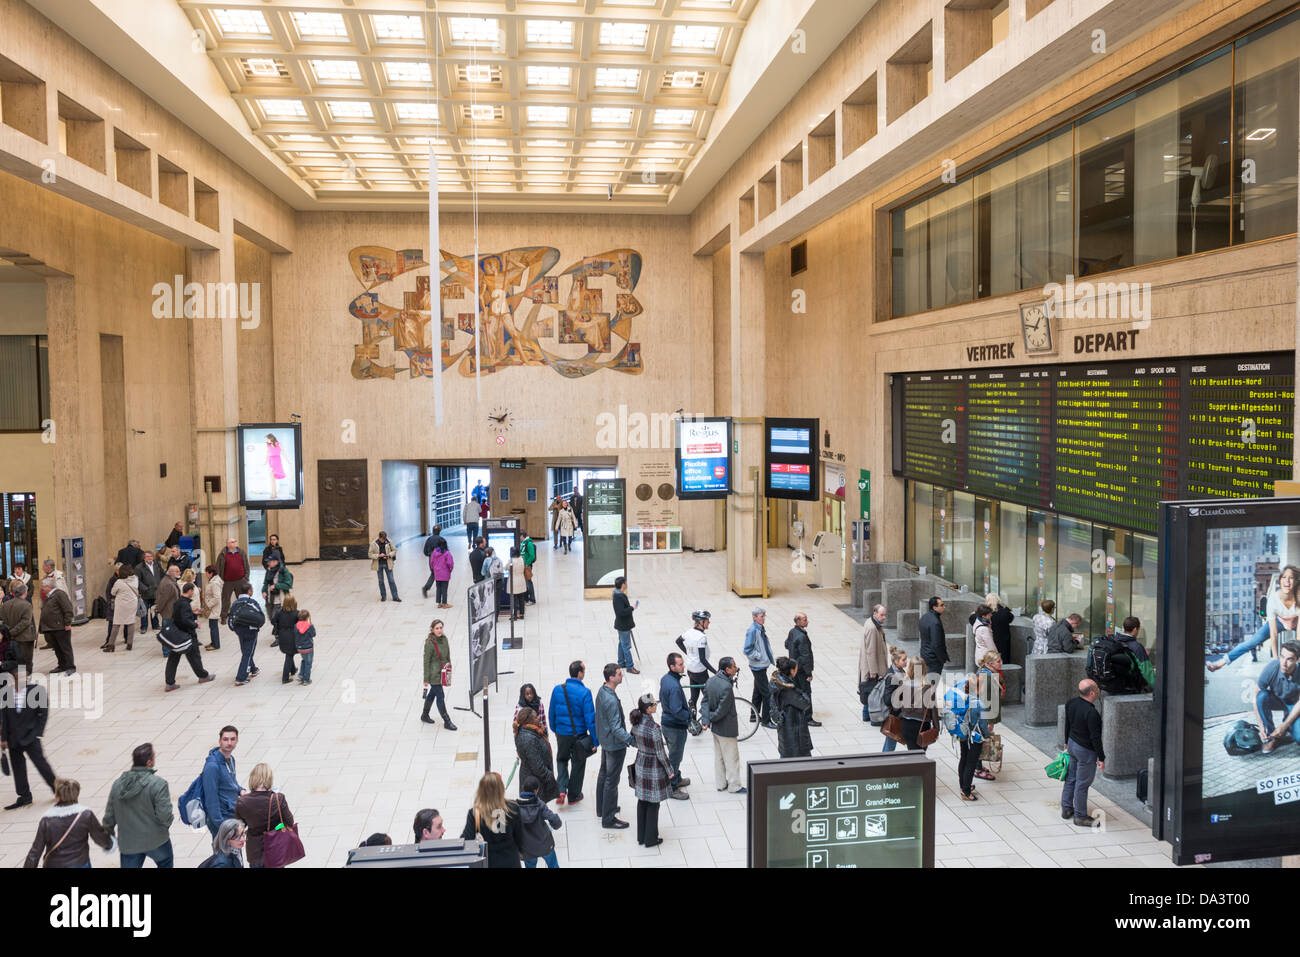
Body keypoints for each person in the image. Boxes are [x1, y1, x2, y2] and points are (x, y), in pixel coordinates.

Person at [1210, 565, 1300, 671]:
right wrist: (1276, 660)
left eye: (1291, 578)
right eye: (1284, 577)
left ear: (1296, 581)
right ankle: (1220, 663)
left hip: (1296, 621)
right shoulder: (1273, 599)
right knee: (1253, 641)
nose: (1287, 581)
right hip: (1279, 621)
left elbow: (1299, 636)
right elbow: (1273, 634)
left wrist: (1297, 661)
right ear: (1280, 580)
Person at [103, 743, 173, 868]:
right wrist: (165, 827)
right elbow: (165, 815)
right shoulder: (158, 784)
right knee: (165, 863)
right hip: (156, 840)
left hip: (129, 844)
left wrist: (109, 834)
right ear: (149, 762)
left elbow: (109, 816)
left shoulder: (117, 784)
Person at [0, 658, 57, 809]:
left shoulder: (37, 691)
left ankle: (57, 791)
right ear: (14, 677)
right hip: (13, 737)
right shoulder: (6, 693)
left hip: (31, 736)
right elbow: (4, 718)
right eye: (21, 676)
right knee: (18, 768)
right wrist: (3, 738)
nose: (25, 679)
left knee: (42, 765)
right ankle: (24, 796)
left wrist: (38, 732)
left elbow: (43, 713)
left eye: (26, 676)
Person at [23, 777, 113, 868]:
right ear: (76, 794)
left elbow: (35, 852)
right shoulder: (85, 815)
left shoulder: (46, 820)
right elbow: (99, 837)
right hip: (80, 863)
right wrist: (109, 844)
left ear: (57, 797)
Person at [549, 661, 596, 806]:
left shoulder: (557, 690)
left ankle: (561, 789)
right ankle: (574, 795)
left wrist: (555, 730)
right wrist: (595, 740)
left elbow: (552, 713)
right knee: (578, 763)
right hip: (579, 735)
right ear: (580, 673)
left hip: (562, 733)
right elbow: (590, 719)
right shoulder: (585, 692)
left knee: (561, 760)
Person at [629, 693, 672, 847]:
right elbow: (661, 753)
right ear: (648, 709)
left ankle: (641, 837)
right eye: (653, 704)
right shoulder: (654, 728)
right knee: (654, 803)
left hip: (641, 762)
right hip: (653, 766)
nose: (656, 705)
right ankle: (651, 839)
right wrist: (669, 770)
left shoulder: (636, 722)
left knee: (642, 801)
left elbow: (633, 740)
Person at [594, 663, 634, 829]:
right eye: (619, 674)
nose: (621, 676)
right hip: (614, 745)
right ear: (611, 678)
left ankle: (602, 808)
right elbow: (616, 728)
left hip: (605, 740)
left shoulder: (602, 691)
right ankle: (609, 817)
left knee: (604, 774)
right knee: (612, 780)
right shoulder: (610, 699)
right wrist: (631, 740)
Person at [234, 763, 295, 868]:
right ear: (269, 779)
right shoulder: (278, 799)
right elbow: (289, 822)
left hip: (255, 853)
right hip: (276, 851)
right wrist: (277, 827)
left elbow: (239, 827)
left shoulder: (242, 802)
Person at [1062, 679, 1105, 825]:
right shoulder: (1092, 713)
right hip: (1085, 751)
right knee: (1082, 783)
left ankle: (1066, 808)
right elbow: (1095, 737)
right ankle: (1080, 815)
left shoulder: (1071, 703)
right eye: (1097, 688)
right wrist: (1101, 757)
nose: (1098, 690)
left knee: (1071, 777)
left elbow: (1067, 723)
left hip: (1072, 744)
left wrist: (1066, 742)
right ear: (1092, 692)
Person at [460, 772, 525, 868]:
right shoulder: (513, 808)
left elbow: (466, 839)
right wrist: (521, 850)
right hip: (510, 859)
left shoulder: (475, 813)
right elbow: (519, 835)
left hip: (487, 861)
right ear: (501, 789)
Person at [702, 657, 745, 794]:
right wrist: (710, 720)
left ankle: (720, 784)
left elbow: (705, 702)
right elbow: (722, 710)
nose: (736, 668)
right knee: (732, 758)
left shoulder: (711, 680)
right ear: (727, 669)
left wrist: (706, 720)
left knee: (719, 757)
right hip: (726, 728)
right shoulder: (727, 687)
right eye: (734, 666)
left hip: (715, 729)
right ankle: (734, 785)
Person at [163, 583, 214, 690]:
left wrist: (192, 613)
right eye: (193, 591)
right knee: (194, 657)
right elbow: (184, 620)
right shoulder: (185, 604)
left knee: (173, 659)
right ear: (190, 591)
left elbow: (178, 617)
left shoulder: (178, 602)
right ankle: (203, 676)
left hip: (177, 637)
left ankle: (169, 683)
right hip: (187, 636)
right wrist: (195, 624)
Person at [945, 673, 986, 801]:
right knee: (971, 763)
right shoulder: (978, 703)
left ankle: (963, 785)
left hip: (962, 732)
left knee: (964, 758)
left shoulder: (964, 696)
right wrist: (986, 735)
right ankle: (966, 791)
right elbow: (983, 724)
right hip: (975, 736)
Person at [1255, 640, 1300, 753]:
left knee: (1299, 738)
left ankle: (1288, 726)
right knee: (1261, 696)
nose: (1284, 663)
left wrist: (1284, 726)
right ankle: (1272, 737)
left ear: (1297, 660)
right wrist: (1261, 725)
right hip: (1277, 700)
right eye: (1282, 657)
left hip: (1294, 705)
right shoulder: (1271, 668)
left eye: (1289, 659)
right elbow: (1256, 697)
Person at [201, 726, 245, 836]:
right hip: (222, 820)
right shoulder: (212, 766)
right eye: (225, 739)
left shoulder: (231, 759)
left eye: (232, 739)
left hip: (231, 814)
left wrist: (240, 790)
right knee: (223, 852)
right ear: (220, 741)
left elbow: (230, 782)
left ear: (237, 740)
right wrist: (222, 826)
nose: (229, 743)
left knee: (234, 851)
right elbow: (211, 798)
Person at [884, 658, 935, 752]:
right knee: (921, 753)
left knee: (912, 751)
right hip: (922, 725)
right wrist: (936, 726)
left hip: (907, 724)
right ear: (924, 669)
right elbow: (933, 710)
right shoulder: (929, 687)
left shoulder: (903, 684)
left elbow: (895, 706)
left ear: (910, 669)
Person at [658, 653, 691, 799]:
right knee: (675, 757)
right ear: (672, 666)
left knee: (674, 754)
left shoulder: (666, 678)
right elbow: (677, 710)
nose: (683, 666)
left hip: (667, 723)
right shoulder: (674, 686)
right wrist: (689, 717)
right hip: (675, 727)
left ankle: (676, 778)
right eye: (680, 664)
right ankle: (671, 787)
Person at [513, 706, 559, 803]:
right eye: (535, 717)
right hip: (535, 782)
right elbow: (537, 766)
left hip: (533, 777)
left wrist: (543, 731)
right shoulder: (528, 739)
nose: (538, 718)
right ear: (528, 721)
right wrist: (549, 776)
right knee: (536, 809)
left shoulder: (529, 731)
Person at [771, 657, 813, 758]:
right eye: (796, 669)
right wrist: (801, 691)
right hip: (794, 729)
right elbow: (806, 703)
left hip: (786, 727)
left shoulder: (776, 681)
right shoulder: (788, 689)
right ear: (791, 670)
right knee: (797, 760)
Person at [744, 607, 776, 729]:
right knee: (767, 693)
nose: (763, 618)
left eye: (764, 616)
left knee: (757, 691)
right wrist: (759, 656)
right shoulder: (752, 630)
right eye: (761, 616)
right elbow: (747, 649)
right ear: (754, 617)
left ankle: (754, 715)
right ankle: (766, 720)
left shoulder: (760, 628)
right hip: (758, 666)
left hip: (761, 665)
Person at [678, 610, 716, 712]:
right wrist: (716, 672)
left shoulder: (689, 632)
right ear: (700, 622)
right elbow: (703, 659)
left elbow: (678, 641)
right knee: (709, 698)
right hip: (700, 671)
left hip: (691, 669)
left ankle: (693, 721)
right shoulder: (701, 637)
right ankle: (705, 716)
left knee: (694, 696)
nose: (709, 622)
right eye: (707, 621)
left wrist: (689, 654)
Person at [421, 619, 457, 728]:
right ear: (432, 629)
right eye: (437, 628)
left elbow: (447, 655)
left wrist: (449, 671)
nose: (439, 630)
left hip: (443, 672)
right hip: (434, 675)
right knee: (440, 696)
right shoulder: (429, 643)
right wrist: (426, 679)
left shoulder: (444, 639)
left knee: (432, 694)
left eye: (441, 627)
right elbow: (426, 661)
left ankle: (424, 714)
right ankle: (447, 721)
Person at [228, 582, 265, 685]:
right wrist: (258, 627)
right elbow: (260, 616)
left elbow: (230, 617)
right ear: (249, 591)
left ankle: (254, 669)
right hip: (251, 630)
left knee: (246, 651)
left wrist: (234, 629)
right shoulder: (252, 602)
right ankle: (241, 678)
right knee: (248, 653)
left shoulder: (235, 603)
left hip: (239, 630)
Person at [38, 571, 75, 675]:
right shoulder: (49, 596)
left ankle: (70, 666)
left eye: (43, 586)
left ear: (48, 586)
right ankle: (62, 665)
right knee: (57, 649)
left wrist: (67, 623)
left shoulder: (59, 594)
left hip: (61, 627)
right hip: (51, 627)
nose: (42, 588)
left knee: (65, 648)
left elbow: (68, 609)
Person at [786, 612, 820, 726]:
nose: (807, 621)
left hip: (793, 669)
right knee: (806, 693)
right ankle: (807, 717)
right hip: (801, 670)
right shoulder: (801, 637)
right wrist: (809, 673)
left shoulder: (792, 632)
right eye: (805, 620)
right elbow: (805, 656)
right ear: (798, 621)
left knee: (797, 691)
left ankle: (798, 715)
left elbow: (786, 644)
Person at [517, 786, 562, 868]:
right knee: (553, 865)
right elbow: (555, 820)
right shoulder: (540, 804)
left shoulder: (515, 807)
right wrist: (556, 825)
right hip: (544, 844)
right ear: (536, 790)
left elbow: (508, 830)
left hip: (527, 849)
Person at [859, 603, 888, 722]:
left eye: (885, 615)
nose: (884, 617)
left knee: (869, 690)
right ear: (875, 614)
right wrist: (873, 671)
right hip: (872, 667)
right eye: (882, 615)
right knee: (872, 691)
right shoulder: (872, 628)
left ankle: (866, 715)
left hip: (871, 666)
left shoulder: (873, 624)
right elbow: (870, 651)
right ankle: (871, 716)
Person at [102, 566, 138, 654]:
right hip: (132, 603)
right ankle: (129, 644)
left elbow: (112, 592)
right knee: (130, 623)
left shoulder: (119, 582)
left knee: (116, 624)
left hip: (121, 605)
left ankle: (111, 645)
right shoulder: (135, 579)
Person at [879, 647, 908, 752]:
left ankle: (885, 760)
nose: (906, 662)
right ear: (896, 661)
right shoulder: (893, 677)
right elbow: (887, 699)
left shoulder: (900, 671)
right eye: (903, 660)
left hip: (897, 713)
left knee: (891, 739)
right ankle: (885, 762)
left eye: (906, 659)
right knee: (891, 738)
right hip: (894, 713)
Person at [216, 538, 249, 624]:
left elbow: (246, 565)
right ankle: (223, 617)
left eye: (235, 541)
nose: (235, 543)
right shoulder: (223, 554)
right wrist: (220, 580)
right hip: (227, 581)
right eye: (232, 542)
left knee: (242, 599)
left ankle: (244, 616)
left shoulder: (241, 552)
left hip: (240, 580)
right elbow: (218, 568)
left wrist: (246, 578)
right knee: (225, 600)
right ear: (228, 544)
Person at [612, 576, 639, 674]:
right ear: (623, 584)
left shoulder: (617, 594)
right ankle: (630, 666)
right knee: (626, 646)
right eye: (626, 583)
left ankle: (621, 662)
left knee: (621, 643)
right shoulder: (619, 596)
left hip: (621, 624)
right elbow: (621, 612)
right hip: (624, 625)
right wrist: (632, 608)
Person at [135, 549, 165, 633]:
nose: (150, 558)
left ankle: (155, 625)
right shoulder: (139, 567)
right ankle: (143, 627)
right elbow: (137, 580)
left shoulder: (157, 564)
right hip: (145, 593)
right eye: (147, 556)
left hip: (156, 592)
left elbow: (162, 575)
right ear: (144, 558)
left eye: (151, 556)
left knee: (155, 610)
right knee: (144, 611)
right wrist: (145, 588)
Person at [273, 594, 300, 684]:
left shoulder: (279, 612)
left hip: (282, 636)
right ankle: (285, 677)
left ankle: (293, 670)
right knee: (289, 655)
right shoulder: (296, 613)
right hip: (292, 636)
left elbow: (273, 621)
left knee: (289, 653)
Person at [918, 596, 948, 677]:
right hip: (933, 659)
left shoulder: (924, 617)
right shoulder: (935, 622)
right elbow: (936, 644)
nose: (944, 607)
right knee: (932, 685)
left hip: (924, 655)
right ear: (934, 607)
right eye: (941, 605)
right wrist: (943, 658)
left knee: (927, 683)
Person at [370, 531, 400, 602]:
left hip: (388, 563)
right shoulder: (374, 543)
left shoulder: (389, 542)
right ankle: (383, 596)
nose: (383, 541)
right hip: (379, 564)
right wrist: (378, 555)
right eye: (382, 539)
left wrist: (389, 555)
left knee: (391, 580)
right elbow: (370, 554)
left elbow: (395, 550)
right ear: (379, 538)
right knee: (381, 581)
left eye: (385, 539)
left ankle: (395, 597)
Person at [421, 525, 447, 599]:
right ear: (439, 531)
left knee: (434, 573)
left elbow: (425, 551)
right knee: (438, 574)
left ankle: (429, 588)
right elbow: (446, 551)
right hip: (440, 559)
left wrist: (430, 555)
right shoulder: (442, 539)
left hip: (431, 558)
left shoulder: (429, 539)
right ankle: (429, 588)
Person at [987, 593, 1014, 663]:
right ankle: (1005, 672)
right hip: (1005, 638)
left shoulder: (987, 612)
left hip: (992, 637)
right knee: (1004, 657)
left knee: (993, 659)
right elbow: (1011, 618)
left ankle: (994, 673)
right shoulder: (1005, 611)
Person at [201, 565, 223, 651]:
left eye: (206, 572)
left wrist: (209, 605)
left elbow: (217, 597)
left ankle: (216, 645)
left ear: (211, 573)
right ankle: (213, 642)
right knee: (212, 626)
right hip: (213, 607)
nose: (205, 574)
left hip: (214, 608)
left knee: (213, 627)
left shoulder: (215, 583)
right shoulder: (213, 581)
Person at [429, 541, 454, 609]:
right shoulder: (447, 553)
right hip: (445, 573)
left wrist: (433, 569)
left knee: (438, 588)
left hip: (437, 573)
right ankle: (445, 603)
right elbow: (450, 563)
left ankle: (439, 603)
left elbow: (431, 562)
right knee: (444, 589)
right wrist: (450, 569)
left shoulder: (434, 552)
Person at [294, 611, 316, 685]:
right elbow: (313, 634)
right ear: (307, 617)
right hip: (308, 647)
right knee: (308, 663)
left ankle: (301, 675)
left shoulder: (295, 625)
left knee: (304, 660)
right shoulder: (309, 626)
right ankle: (306, 679)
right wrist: (312, 626)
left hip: (300, 647)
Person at [505, 547, 527, 620]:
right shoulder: (522, 559)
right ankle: (521, 614)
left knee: (514, 599)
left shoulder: (511, 561)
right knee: (521, 598)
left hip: (513, 581)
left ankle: (514, 616)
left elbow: (506, 568)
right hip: (521, 580)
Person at [521, 533, 537, 604]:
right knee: (525, 582)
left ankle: (532, 599)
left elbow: (532, 556)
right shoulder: (523, 543)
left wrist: (527, 564)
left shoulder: (529, 543)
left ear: (522, 536)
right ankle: (526, 598)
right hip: (523, 565)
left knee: (528, 582)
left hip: (527, 566)